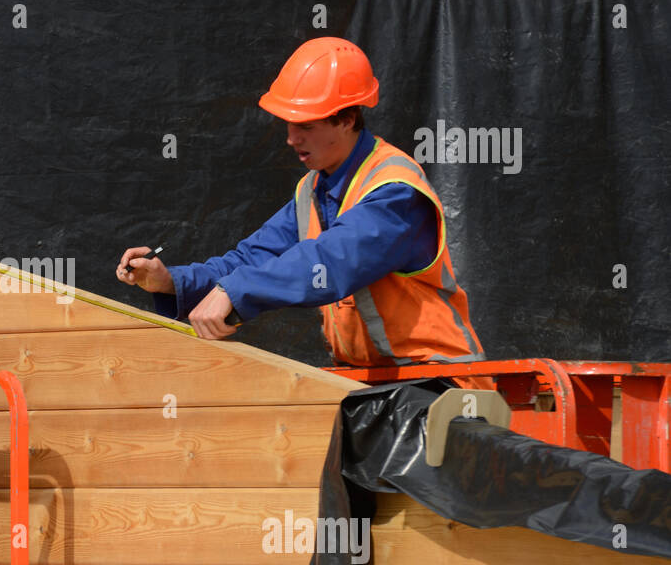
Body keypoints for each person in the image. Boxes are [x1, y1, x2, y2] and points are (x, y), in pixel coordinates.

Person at [118, 36, 487, 370]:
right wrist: (172, 282)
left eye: (306, 126)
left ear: (347, 119)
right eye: (289, 124)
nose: (292, 139)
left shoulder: (395, 192)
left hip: (441, 384)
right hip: (375, 387)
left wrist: (235, 291)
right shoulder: (313, 190)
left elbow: (330, 262)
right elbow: (250, 260)